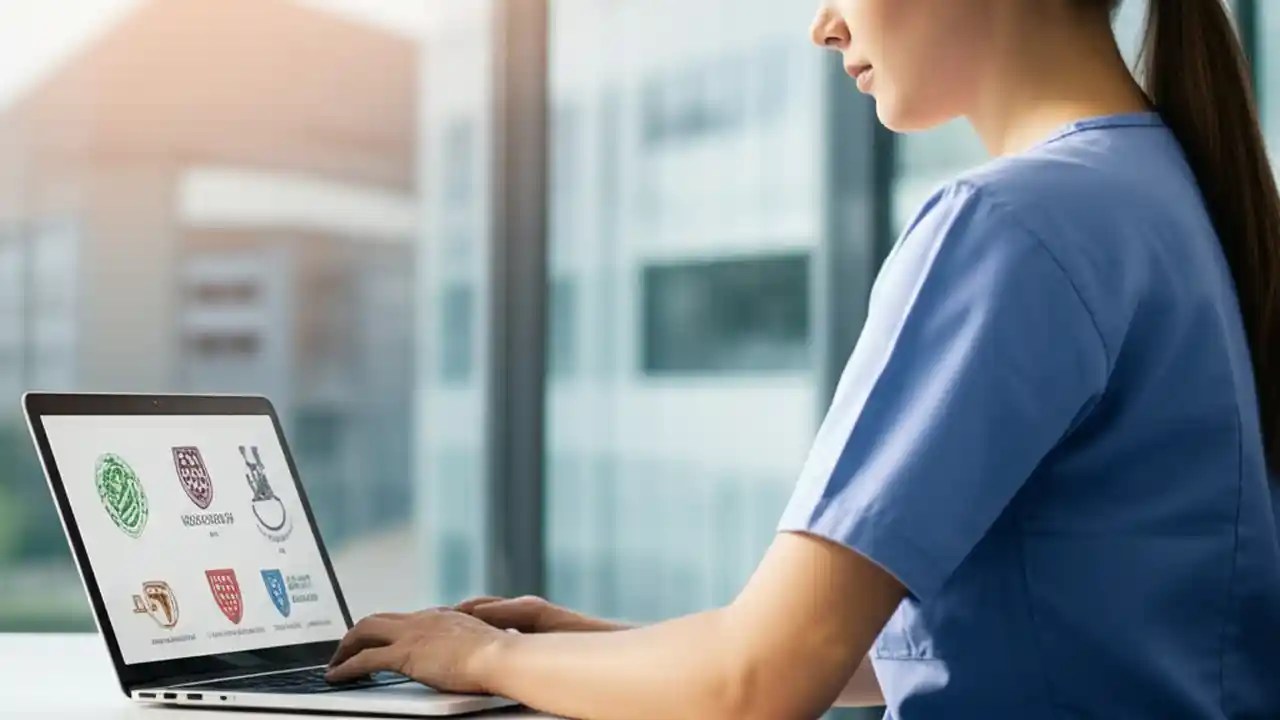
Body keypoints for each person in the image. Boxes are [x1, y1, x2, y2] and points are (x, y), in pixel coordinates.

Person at [327, 0, 1280, 717]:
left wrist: (481, 658)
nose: (822, 25)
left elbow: (759, 685)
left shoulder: (1012, 225)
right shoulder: (1174, 196)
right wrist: (603, 652)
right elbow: (1019, 642)